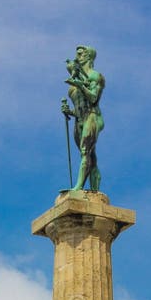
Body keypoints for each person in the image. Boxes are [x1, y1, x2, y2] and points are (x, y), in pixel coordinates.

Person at [61, 45, 105, 191]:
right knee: (89, 155)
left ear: (88, 56)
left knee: (85, 151)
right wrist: (69, 111)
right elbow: (80, 107)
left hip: (92, 117)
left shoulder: (95, 76)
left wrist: (81, 86)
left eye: (80, 54)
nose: (77, 57)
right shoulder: (77, 78)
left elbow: (93, 98)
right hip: (79, 119)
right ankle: (94, 190)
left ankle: (78, 187)